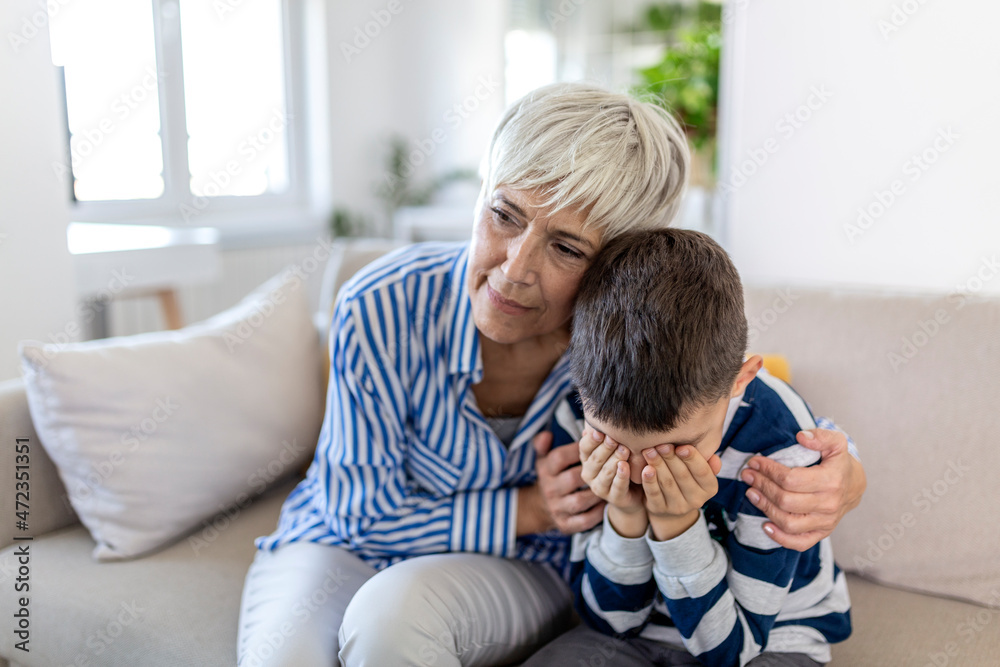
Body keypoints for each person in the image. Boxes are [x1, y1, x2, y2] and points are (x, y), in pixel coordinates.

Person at [236, 82, 865, 667]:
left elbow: (728, 388)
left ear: (617, 265)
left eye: (566, 248)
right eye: (504, 214)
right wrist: (528, 509)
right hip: (339, 540)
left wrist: (844, 471)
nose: (513, 269)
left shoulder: (624, 354)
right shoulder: (381, 305)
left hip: (519, 570)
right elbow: (357, 513)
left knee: (392, 616)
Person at [526, 228, 852, 667]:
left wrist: (675, 522)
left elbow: (730, 651)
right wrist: (624, 518)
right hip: (636, 637)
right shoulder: (579, 417)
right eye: (615, 444)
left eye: (680, 447)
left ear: (741, 379)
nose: (644, 473)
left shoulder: (782, 451)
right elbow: (611, 623)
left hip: (770, 641)